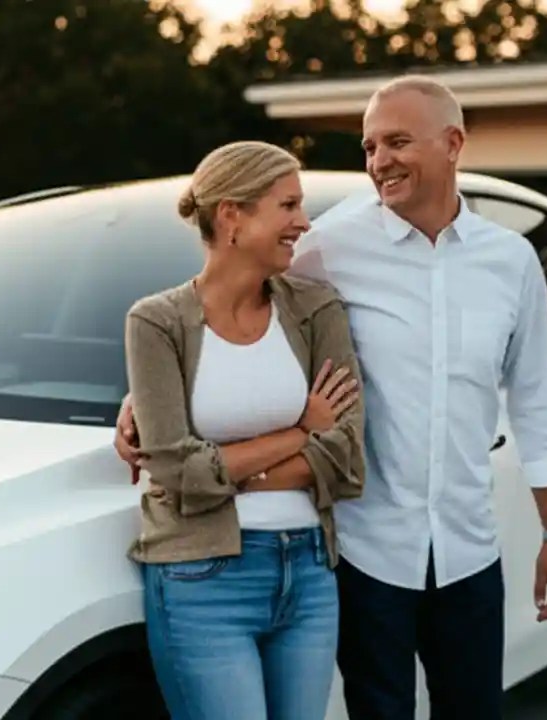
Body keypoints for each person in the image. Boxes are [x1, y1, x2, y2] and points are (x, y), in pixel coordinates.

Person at [117, 77, 547, 719]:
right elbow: (229, 296)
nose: (379, 160)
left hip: (471, 549)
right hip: (364, 553)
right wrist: (141, 396)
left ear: (453, 143)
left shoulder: (512, 262)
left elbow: (537, 404)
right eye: (368, 146)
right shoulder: (329, 246)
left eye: (397, 141)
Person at [123, 140, 366, 720]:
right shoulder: (156, 323)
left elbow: (348, 453)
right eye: (287, 206)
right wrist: (301, 430)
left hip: (309, 572)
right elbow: (177, 472)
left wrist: (227, 473)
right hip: (202, 581)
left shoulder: (315, 309)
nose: (302, 223)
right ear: (233, 214)